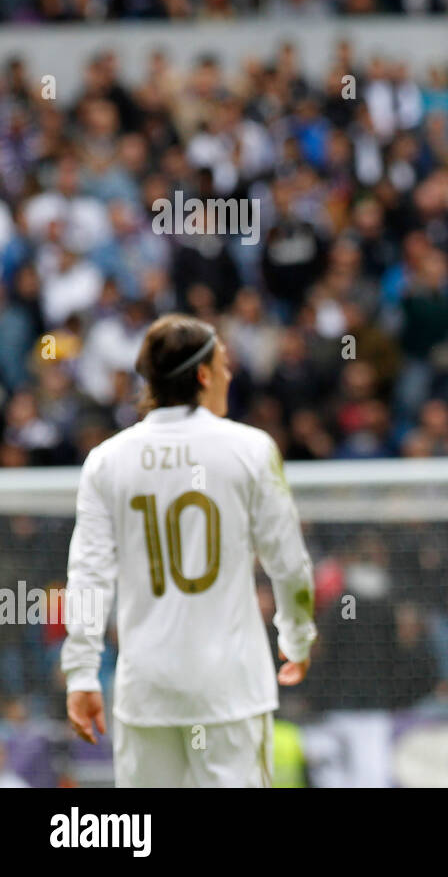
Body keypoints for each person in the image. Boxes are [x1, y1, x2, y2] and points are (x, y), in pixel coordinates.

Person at [62, 314, 317, 787]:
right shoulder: (251, 449)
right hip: (230, 689)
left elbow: (87, 576)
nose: (229, 375)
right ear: (202, 374)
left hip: (147, 692)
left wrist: (81, 673)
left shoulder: (107, 461)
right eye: (223, 365)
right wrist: (297, 637)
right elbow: (289, 564)